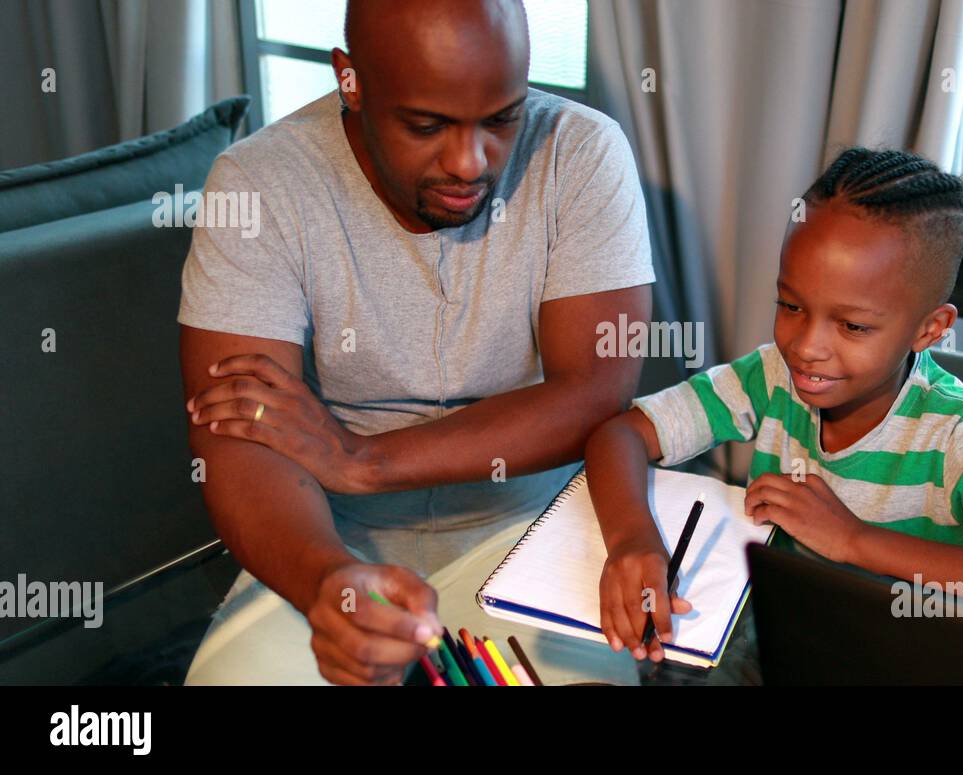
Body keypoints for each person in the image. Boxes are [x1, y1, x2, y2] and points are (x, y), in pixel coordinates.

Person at [179, 0, 653, 685]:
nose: (469, 162)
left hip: (535, 528)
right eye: (427, 125)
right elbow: (237, 437)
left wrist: (365, 460)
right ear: (351, 80)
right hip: (328, 533)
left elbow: (595, 392)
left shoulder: (581, 152)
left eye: (501, 119)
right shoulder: (257, 183)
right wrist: (328, 583)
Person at [584, 147, 963, 663]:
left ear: (929, 329)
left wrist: (853, 540)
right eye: (791, 305)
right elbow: (620, 435)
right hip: (782, 642)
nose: (807, 346)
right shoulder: (770, 378)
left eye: (852, 325)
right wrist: (633, 539)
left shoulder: (961, 434)